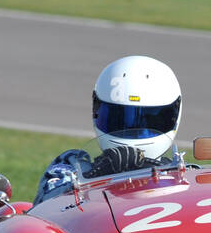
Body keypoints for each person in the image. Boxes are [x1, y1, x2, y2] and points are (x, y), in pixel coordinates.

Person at [35, 56, 183, 203]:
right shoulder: (71, 167)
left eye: (148, 123)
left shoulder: (181, 177)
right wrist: (97, 176)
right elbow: (45, 207)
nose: (131, 130)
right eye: (118, 119)